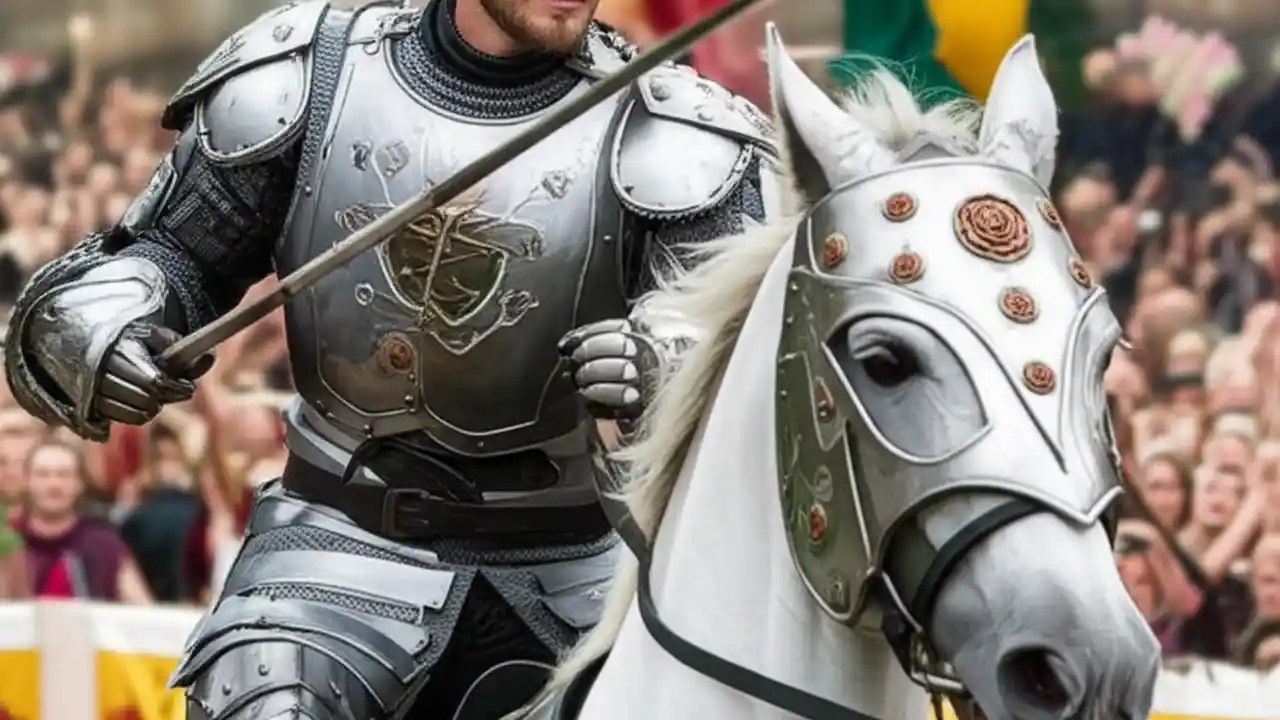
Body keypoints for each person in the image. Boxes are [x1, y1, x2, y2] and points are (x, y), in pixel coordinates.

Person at [3, 1, 775, 718]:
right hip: (331, 559)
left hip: (583, 572)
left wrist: (665, 362)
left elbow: (742, 340)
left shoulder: (676, 127)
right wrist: (110, 319)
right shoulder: (312, 74)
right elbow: (174, 254)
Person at [14, 439, 151, 602]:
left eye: (64, 475)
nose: (54, 484)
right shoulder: (8, 540)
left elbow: (142, 607)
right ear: (27, 481)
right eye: (43, 474)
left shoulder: (105, 544)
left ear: (79, 483)